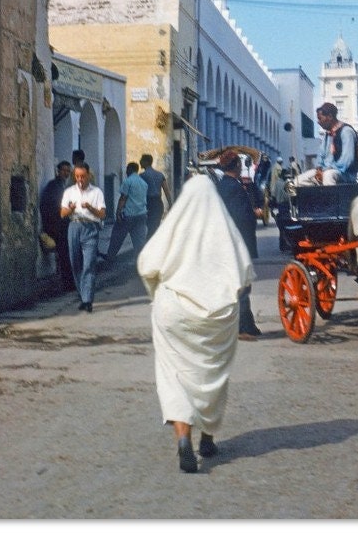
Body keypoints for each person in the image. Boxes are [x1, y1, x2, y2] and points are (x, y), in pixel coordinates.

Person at [137, 173, 255, 473]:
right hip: (218, 315)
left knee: (174, 374)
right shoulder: (223, 228)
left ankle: (182, 440)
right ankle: (207, 439)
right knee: (212, 377)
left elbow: (146, 265)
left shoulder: (175, 225)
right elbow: (243, 275)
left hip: (174, 310)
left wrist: (157, 298)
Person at [213, 149, 261, 338]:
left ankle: (247, 324)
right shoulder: (233, 187)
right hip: (238, 242)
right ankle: (242, 327)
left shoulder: (223, 185)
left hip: (228, 241)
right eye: (239, 164)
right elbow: (241, 218)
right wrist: (254, 215)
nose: (242, 166)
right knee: (242, 284)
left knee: (240, 284)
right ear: (235, 166)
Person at [61, 161, 106, 312]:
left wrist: (91, 207)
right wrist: (71, 208)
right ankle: (83, 295)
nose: (80, 179)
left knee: (89, 264)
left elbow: (102, 214)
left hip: (90, 228)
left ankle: (87, 300)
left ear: (88, 175)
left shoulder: (96, 192)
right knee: (75, 263)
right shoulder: (69, 192)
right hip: (74, 226)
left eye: (83, 176)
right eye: (77, 176)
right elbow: (62, 213)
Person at [294, 102, 358, 186]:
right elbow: (320, 157)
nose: (318, 122)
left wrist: (325, 170)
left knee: (328, 175)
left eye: (320, 118)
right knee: (298, 180)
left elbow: (347, 160)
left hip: (345, 173)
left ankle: (331, 199)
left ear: (330, 117)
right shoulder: (327, 135)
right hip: (326, 170)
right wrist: (319, 170)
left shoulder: (346, 132)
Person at [39, 160, 75, 292]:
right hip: (56, 226)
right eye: (64, 170)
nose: (66, 173)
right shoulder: (54, 186)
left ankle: (69, 283)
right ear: (58, 171)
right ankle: (68, 284)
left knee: (66, 254)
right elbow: (54, 207)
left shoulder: (61, 186)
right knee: (65, 255)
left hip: (60, 225)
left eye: (68, 171)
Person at [105, 161, 148, 261]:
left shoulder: (128, 181)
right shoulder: (143, 183)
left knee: (117, 237)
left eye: (127, 169)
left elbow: (123, 198)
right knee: (139, 242)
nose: (126, 172)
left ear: (130, 169)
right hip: (141, 214)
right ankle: (140, 263)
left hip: (128, 215)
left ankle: (110, 257)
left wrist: (118, 212)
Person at [139, 153, 172, 238]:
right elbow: (167, 191)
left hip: (148, 203)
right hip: (158, 203)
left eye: (142, 160)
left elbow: (138, 192)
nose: (140, 162)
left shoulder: (142, 176)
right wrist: (171, 204)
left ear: (146, 162)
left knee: (151, 228)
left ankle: (150, 245)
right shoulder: (160, 175)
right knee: (154, 227)